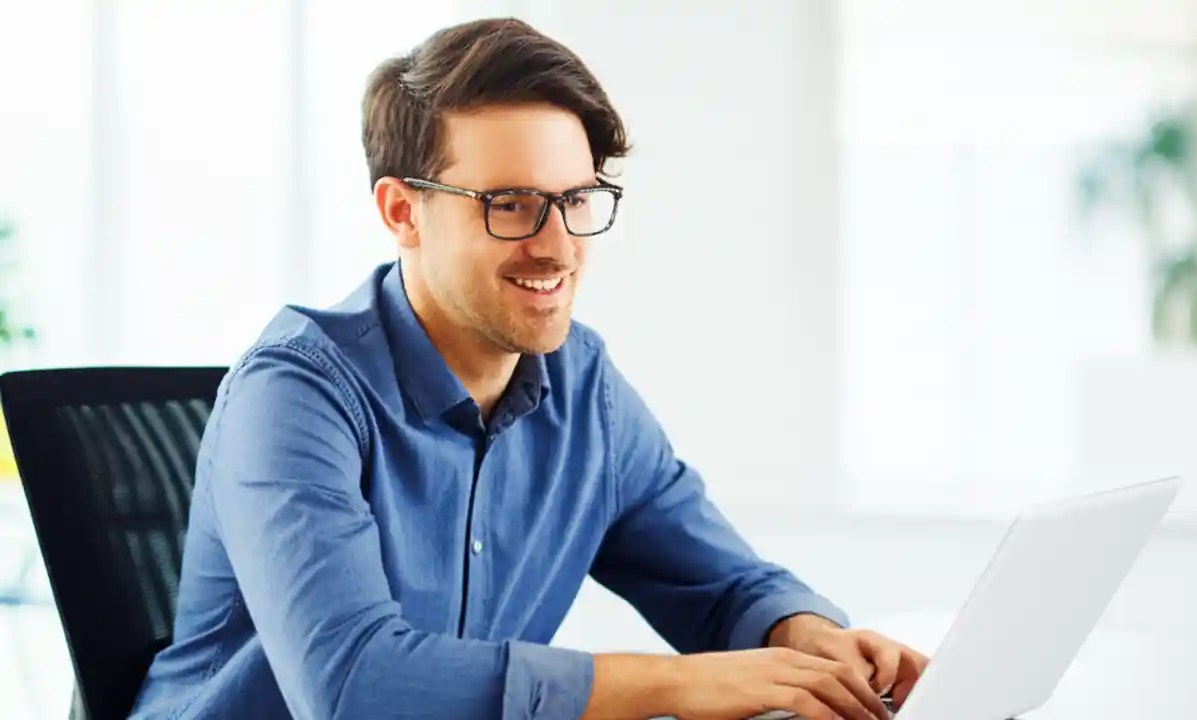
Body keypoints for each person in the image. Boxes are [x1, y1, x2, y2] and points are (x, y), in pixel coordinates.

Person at [130, 17, 927, 720]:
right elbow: (354, 688)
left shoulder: (583, 388)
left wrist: (814, 644)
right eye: (509, 204)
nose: (557, 245)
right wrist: (684, 686)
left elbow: (723, 588)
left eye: (577, 198)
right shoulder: (295, 395)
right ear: (402, 212)